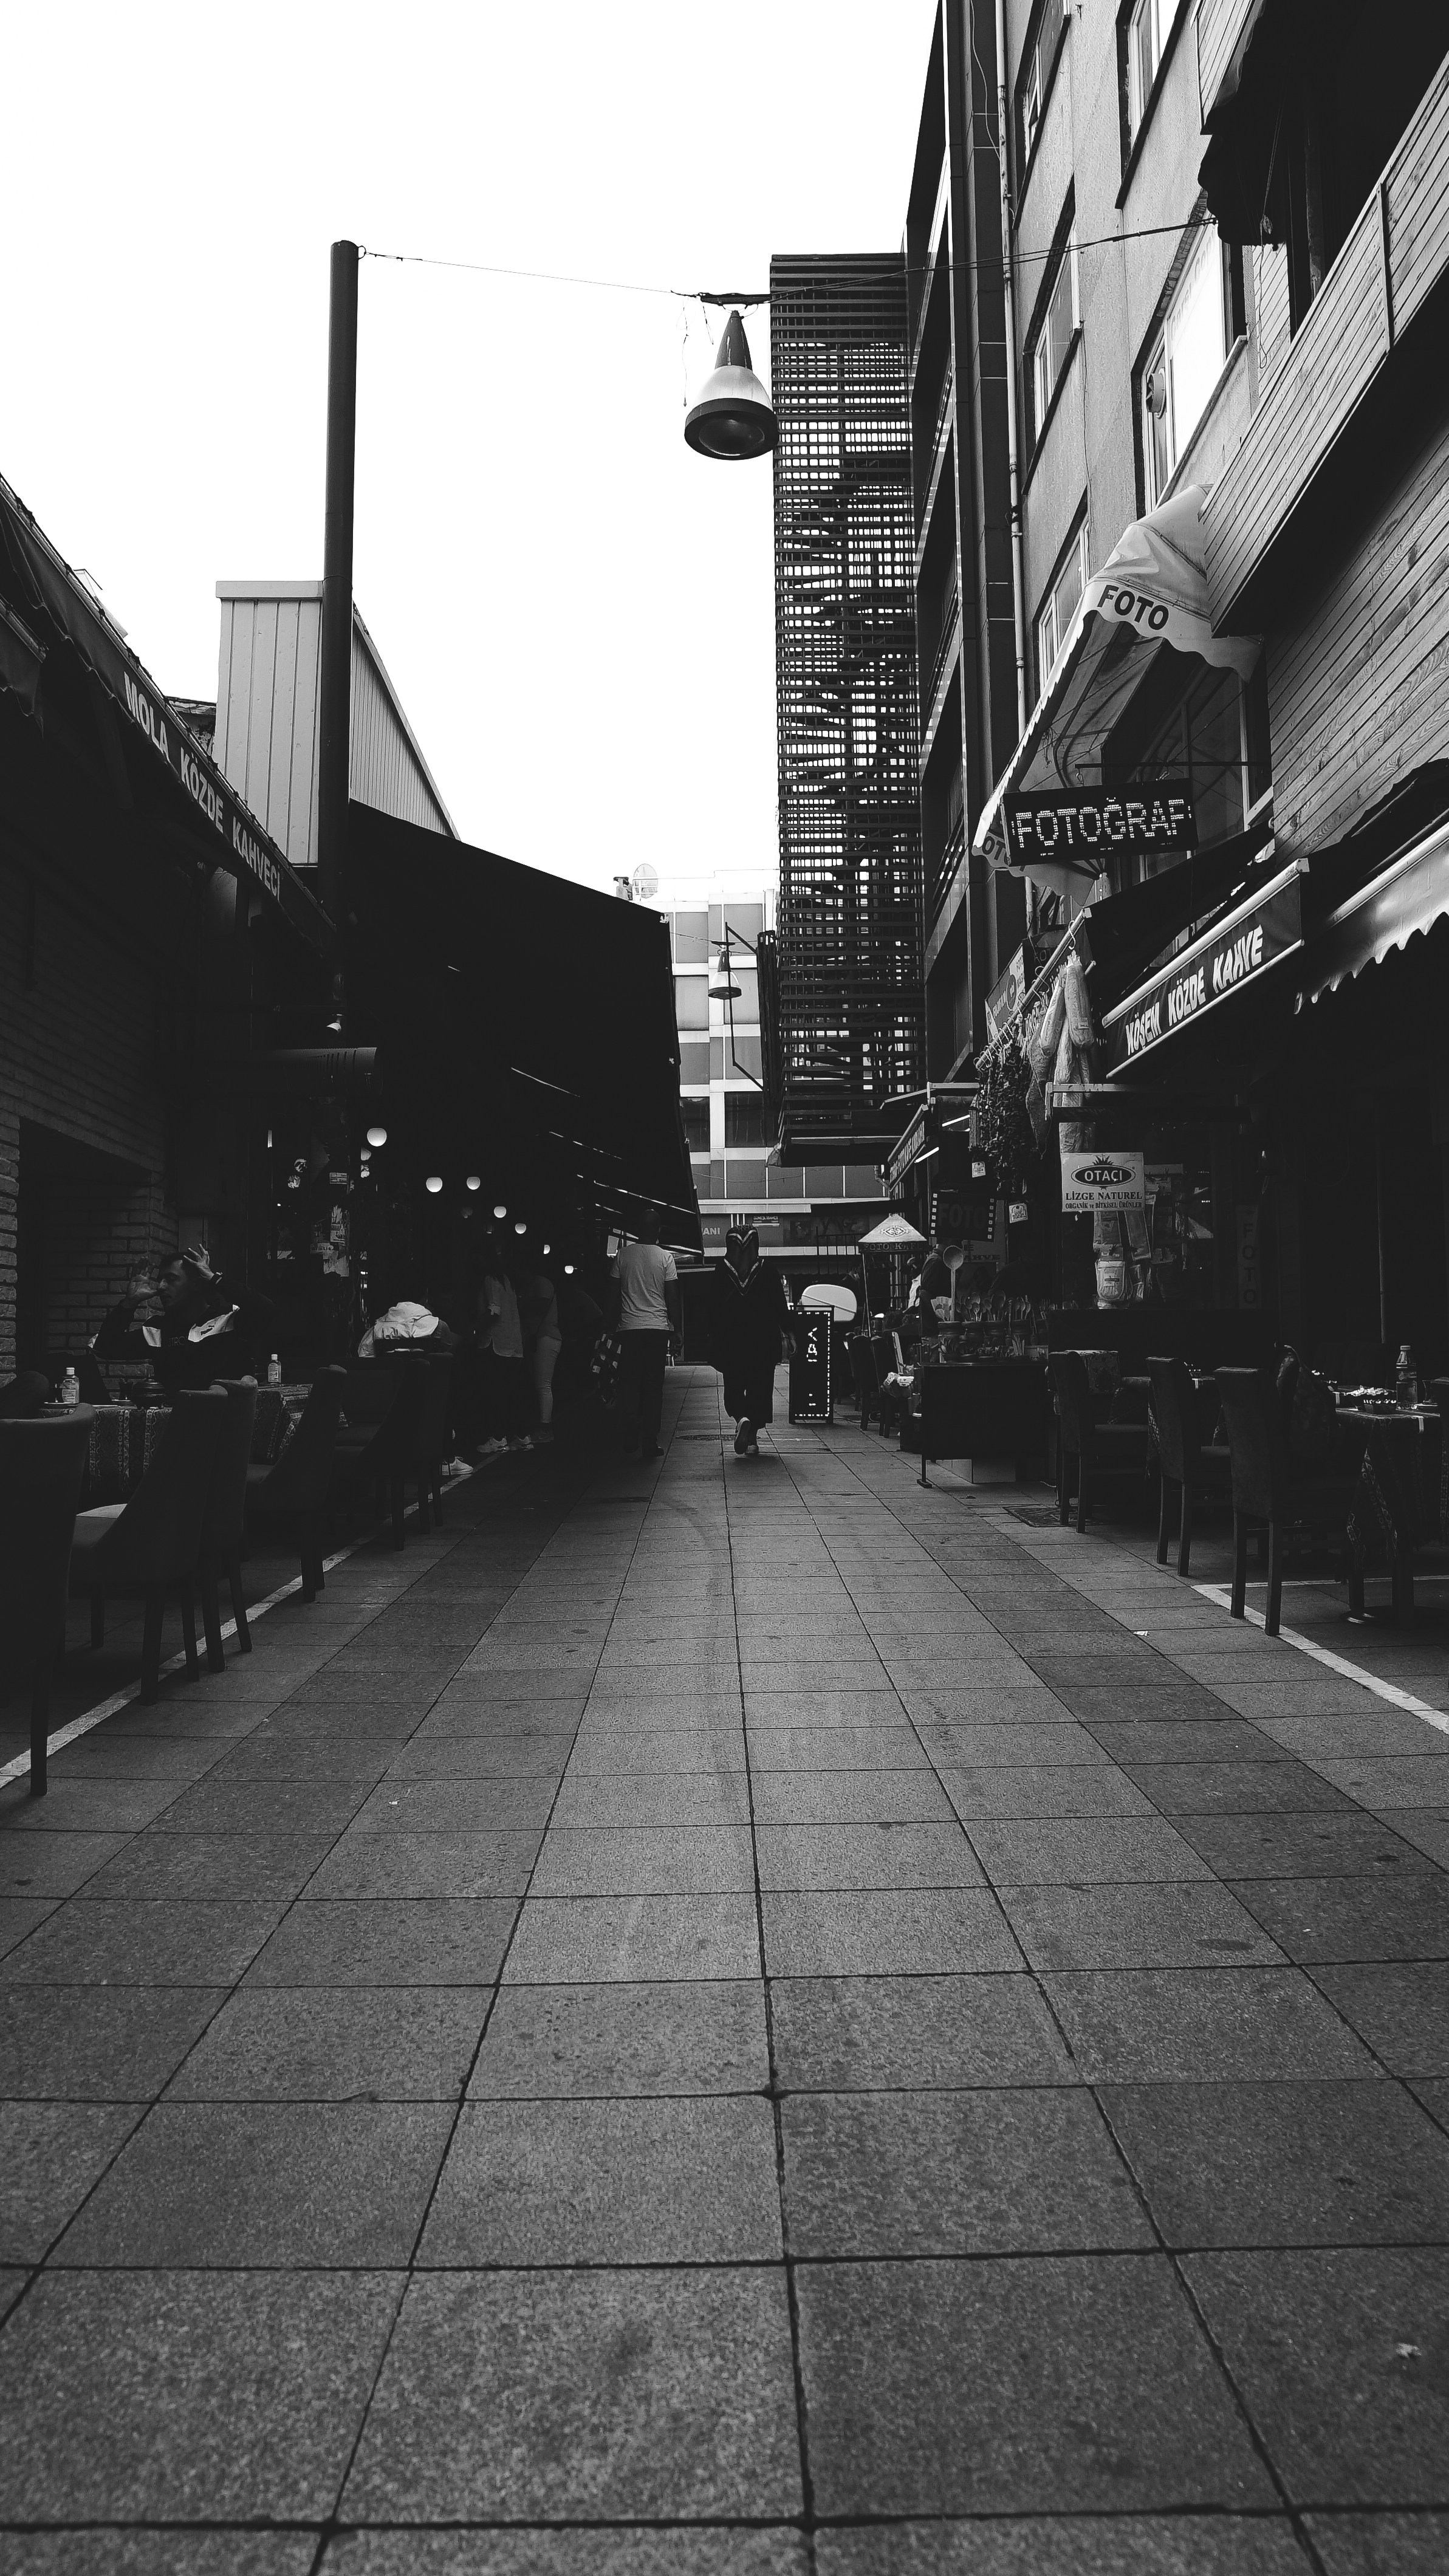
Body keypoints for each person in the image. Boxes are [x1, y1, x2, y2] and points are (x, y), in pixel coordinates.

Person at [94, 1246, 277, 1395]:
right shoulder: (158, 1330)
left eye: (171, 1279)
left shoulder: (229, 1319)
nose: (161, 1287)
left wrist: (215, 1280)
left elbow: (266, 1309)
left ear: (197, 1283)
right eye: (160, 1280)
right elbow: (105, 1348)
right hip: (176, 1423)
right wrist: (129, 1303)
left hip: (225, 1423)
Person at [708, 1225, 793, 1457]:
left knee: (734, 1386)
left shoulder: (721, 1269)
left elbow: (712, 1307)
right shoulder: (768, 1269)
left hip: (732, 1342)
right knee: (760, 1389)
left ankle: (741, 1419)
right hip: (763, 1342)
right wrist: (790, 1333)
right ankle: (752, 1439)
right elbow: (780, 1306)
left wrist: (712, 1337)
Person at [606, 1211, 679, 1462]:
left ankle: (631, 1420)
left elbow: (613, 1295)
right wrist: (677, 1329)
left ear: (637, 1229)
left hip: (629, 1329)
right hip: (657, 1329)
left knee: (630, 1381)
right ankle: (650, 1441)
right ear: (659, 1230)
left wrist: (607, 1326)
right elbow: (672, 1297)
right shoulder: (665, 1258)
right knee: (653, 1386)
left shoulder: (623, 1256)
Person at [476, 1239, 529, 1456]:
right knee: (512, 1392)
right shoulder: (508, 1280)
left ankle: (498, 1437)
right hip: (513, 1342)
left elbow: (493, 1311)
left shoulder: (491, 1279)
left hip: (496, 1343)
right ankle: (520, 1435)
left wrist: (475, 1330)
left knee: (496, 1392)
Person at [519, 1261, 563, 1445]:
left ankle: (545, 1428)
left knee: (543, 1385)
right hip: (544, 1335)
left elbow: (542, 1306)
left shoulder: (541, 1283)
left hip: (545, 1335)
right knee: (542, 1384)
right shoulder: (540, 1283)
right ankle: (542, 1426)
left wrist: (521, 1303)